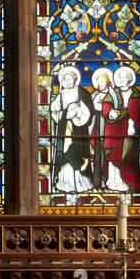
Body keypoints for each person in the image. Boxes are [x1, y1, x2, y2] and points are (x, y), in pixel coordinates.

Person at [50, 66, 95, 194]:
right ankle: (65, 183)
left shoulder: (82, 93)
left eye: (70, 79)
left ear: (75, 80)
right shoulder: (61, 94)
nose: (68, 82)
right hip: (64, 130)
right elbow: (54, 114)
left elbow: (88, 112)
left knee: (78, 154)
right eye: (65, 80)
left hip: (78, 130)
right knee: (64, 153)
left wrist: (78, 112)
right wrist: (55, 108)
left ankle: (81, 182)